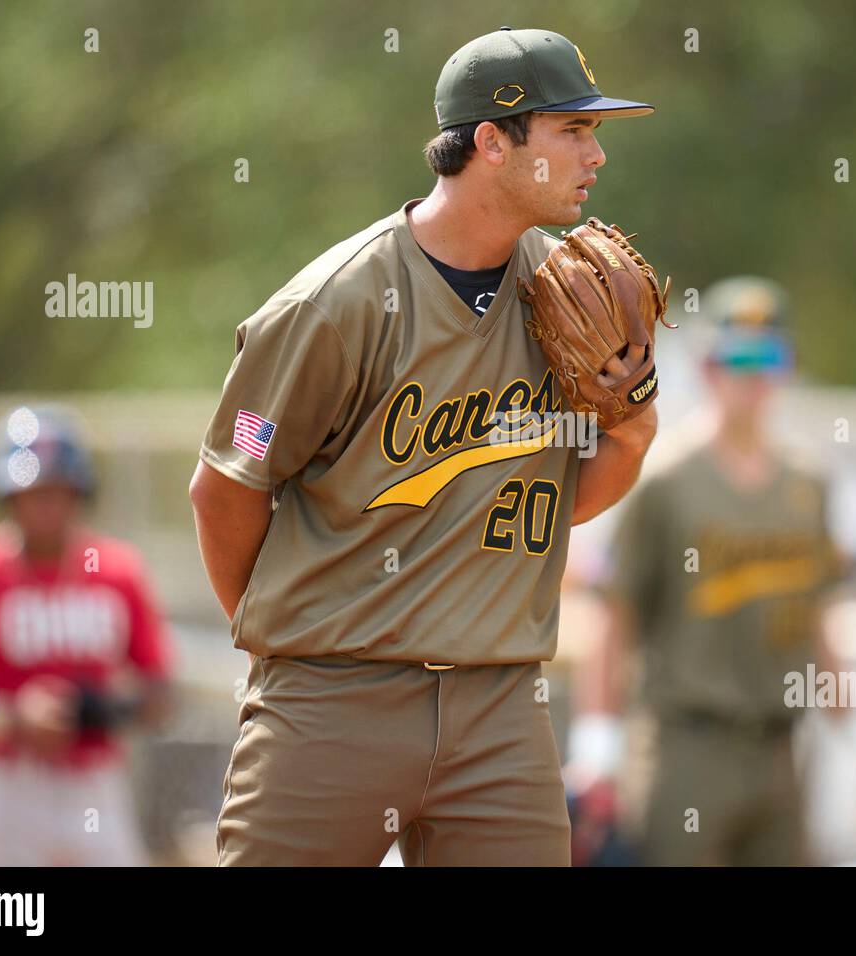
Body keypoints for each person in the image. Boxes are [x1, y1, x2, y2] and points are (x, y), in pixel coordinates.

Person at [189, 27, 660, 866]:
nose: (596, 156)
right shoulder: (338, 303)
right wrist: (296, 645)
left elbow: (557, 501)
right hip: (334, 698)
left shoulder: (566, 295)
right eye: (573, 131)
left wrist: (633, 433)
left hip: (503, 706)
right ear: (491, 140)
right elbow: (225, 489)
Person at [572, 277, 842, 866]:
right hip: (687, 746)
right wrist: (597, 744)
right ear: (708, 367)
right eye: (735, 357)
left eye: (766, 356)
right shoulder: (665, 479)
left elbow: (821, 616)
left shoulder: (808, 483)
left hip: (780, 749)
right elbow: (613, 615)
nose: (751, 374)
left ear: (787, 366)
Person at [0, 404, 174, 866]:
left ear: (79, 492)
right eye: (34, 491)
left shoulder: (117, 572)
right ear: (7, 494)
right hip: (6, 786)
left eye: (58, 490)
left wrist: (102, 707)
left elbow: (160, 690)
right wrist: (13, 716)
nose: (47, 504)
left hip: (96, 783)